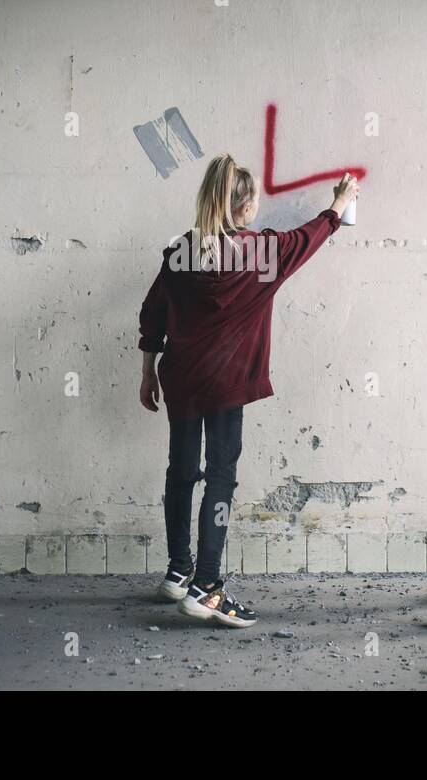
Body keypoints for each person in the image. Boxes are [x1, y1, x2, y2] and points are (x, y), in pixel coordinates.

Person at [138, 154, 361, 628]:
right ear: (244, 209)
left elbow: (153, 311)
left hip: (180, 378)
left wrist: (147, 368)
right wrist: (338, 205)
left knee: (181, 471)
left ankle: (179, 570)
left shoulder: (181, 251)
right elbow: (309, 239)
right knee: (220, 478)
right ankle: (207, 588)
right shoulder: (262, 254)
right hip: (225, 384)